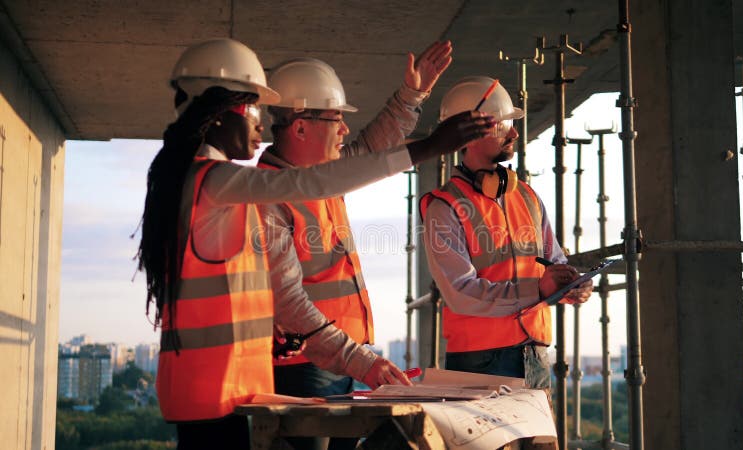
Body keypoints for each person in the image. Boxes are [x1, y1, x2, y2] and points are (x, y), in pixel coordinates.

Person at [136, 39, 496, 450]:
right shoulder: (219, 183)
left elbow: (358, 156)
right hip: (221, 384)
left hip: (227, 384)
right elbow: (307, 185)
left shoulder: (213, 183)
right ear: (219, 113)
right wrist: (429, 147)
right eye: (253, 107)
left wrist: (411, 98)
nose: (261, 122)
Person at [257, 41, 451, 450]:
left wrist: (412, 96)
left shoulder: (320, 175)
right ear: (301, 126)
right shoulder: (267, 196)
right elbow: (288, 303)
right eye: (336, 119)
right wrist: (361, 360)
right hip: (305, 367)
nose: (345, 129)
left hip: (342, 360)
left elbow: (371, 149)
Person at [420, 77, 593, 447]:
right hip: (479, 362)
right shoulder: (444, 207)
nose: (514, 133)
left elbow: (553, 261)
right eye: (502, 125)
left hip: (534, 355)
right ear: (467, 135)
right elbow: (460, 294)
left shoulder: (527, 196)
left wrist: (567, 285)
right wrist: (539, 288)